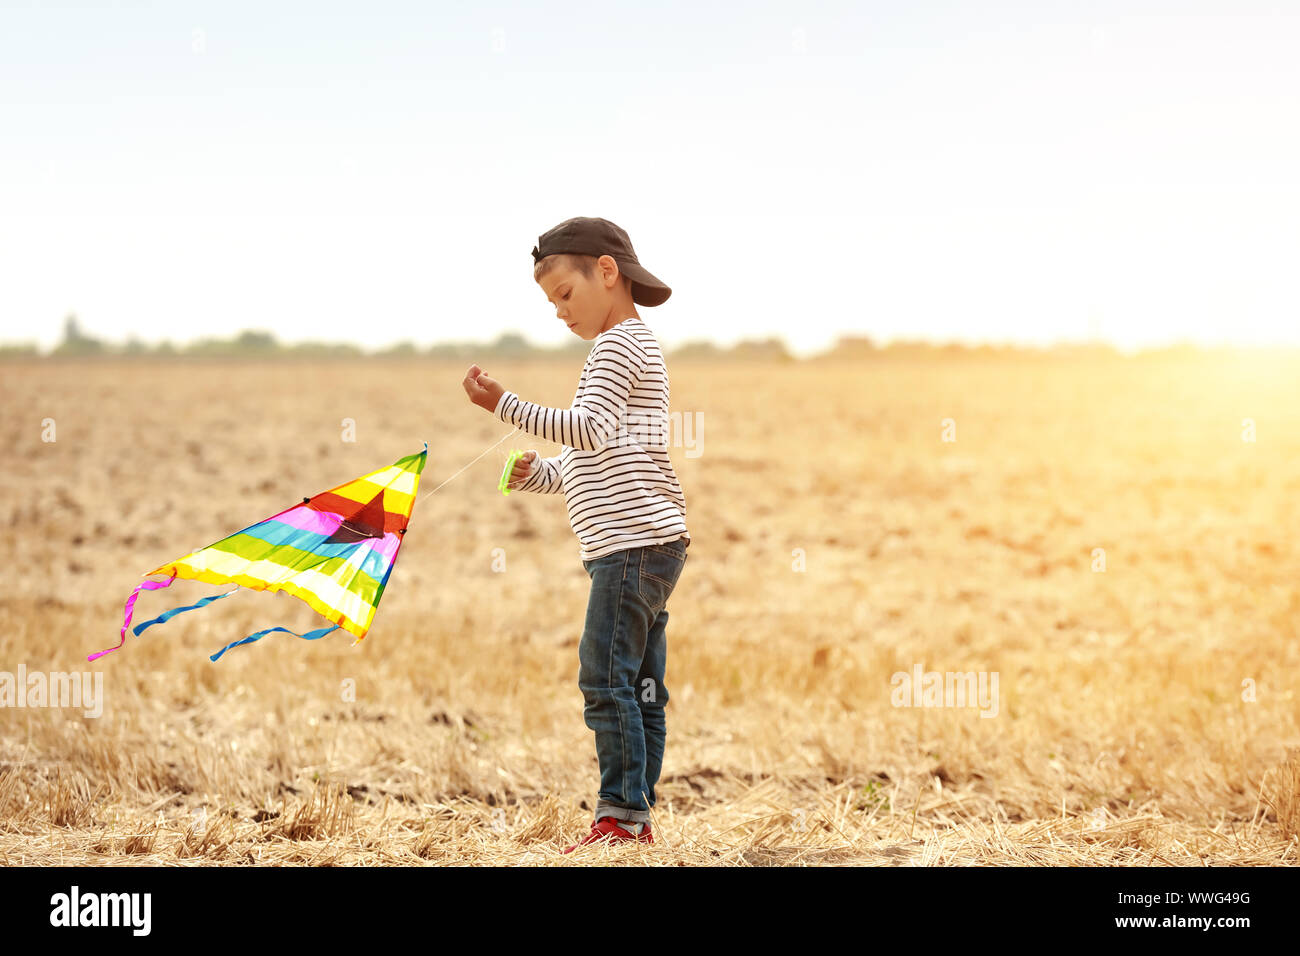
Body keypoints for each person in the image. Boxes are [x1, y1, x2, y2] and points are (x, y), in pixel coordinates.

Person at [462, 217, 690, 852]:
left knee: (603, 679)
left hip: (630, 548)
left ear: (607, 272)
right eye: (551, 303)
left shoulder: (618, 347)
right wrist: (543, 475)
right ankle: (634, 819)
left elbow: (586, 429)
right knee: (640, 685)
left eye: (565, 294)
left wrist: (503, 406)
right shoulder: (631, 347)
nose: (560, 313)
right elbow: (602, 454)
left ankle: (618, 817)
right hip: (649, 544)